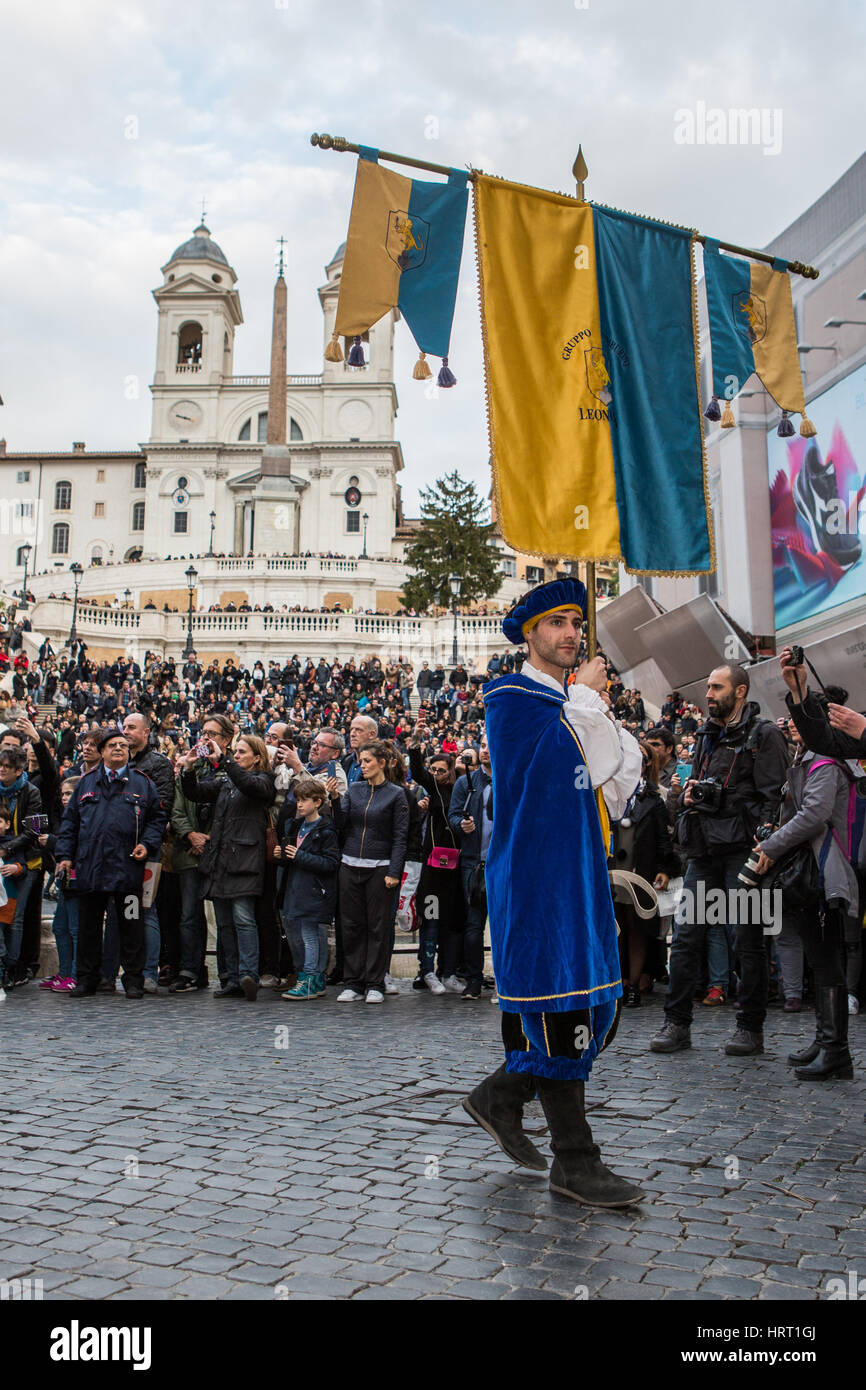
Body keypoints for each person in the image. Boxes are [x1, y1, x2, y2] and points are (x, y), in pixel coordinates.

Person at [464, 578, 644, 1208]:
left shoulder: (572, 699)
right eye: (557, 624)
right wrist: (587, 701)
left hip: (580, 867)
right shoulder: (510, 697)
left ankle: (503, 1095)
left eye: (576, 623)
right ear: (531, 633)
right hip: (538, 874)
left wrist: (586, 703)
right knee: (561, 1005)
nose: (571, 634)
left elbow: (619, 777)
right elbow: (567, 766)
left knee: (598, 1005)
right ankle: (576, 1159)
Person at [651, 664, 789, 1057]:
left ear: (740, 692)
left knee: (749, 942)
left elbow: (775, 799)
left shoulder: (765, 735)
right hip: (703, 852)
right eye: (708, 687)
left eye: (716, 687)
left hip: (746, 853)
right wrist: (690, 796)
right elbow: (691, 792)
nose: (708, 694)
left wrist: (767, 846)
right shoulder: (707, 735)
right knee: (685, 939)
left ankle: (750, 1028)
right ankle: (676, 1023)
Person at [754, 715, 856, 1080]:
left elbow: (814, 815)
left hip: (824, 872)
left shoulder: (825, 763)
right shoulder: (806, 759)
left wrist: (771, 844)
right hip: (810, 870)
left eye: (800, 720)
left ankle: (835, 1050)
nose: (792, 724)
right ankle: (824, 1040)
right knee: (819, 955)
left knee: (827, 959)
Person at [55, 729, 166, 999]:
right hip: (91, 868)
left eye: (123, 746)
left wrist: (148, 844)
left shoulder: (142, 783)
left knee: (131, 925)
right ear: (102, 751)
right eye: (113, 745)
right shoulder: (85, 783)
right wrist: (65, 856)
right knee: (89, 927)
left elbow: (157, 819)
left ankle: (133, 980)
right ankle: (86, 979)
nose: (119, 748)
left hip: (127, 869)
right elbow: (70, 823)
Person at [179, 733, 275, 1001]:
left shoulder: (263, 781)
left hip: (244, 861)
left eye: (242, 752)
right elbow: (195, 792)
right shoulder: (225, 781)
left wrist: (224, 761)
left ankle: (248, 974)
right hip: (221, 860)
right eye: (236, 752)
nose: (237, 756)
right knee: (224, 924)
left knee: (244, 920)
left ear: (257, 757)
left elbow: (250, 787)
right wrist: (188, 769)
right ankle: (230, 977)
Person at [328, 740, 408, 1004]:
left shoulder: (396, 794)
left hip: (380, 867)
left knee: (378, 927)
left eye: (367, 761)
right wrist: (335, 799)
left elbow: (400, 837)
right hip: (350, 865)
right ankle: (353, 982)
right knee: (350, 926)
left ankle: (375, 982)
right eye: (360, 761)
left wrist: (394, 871)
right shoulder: (355, 789)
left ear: (382, 763)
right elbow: (341, 824)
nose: (361, 765)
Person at [612, 744, 680, 1008]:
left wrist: (665, 869)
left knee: (638, 928)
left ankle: (634, 983)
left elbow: (664, 837)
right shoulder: (608, 791)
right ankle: (618, 982)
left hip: (641, 869)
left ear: (645, 765)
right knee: (615, 928)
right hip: (612, 868)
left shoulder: (652, 797)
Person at [275, 777, 340, 1000]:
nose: (299, 804)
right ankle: (310, 977)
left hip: (314, 891)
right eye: (298, 800)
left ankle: (311, 978)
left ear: (318, 802)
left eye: (304, 800)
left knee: (310, 936)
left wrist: (299, 855)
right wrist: (282, 856)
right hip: (297, 888)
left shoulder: (326, 829)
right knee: (300, 934)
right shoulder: (296, 826)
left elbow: (331, 863)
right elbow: (291, 858)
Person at [37, 777, 81, 992]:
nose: (65, 798)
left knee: (75, 928)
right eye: (63, 794)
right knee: (60, 927)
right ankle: (64, 972)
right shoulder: (65, 817)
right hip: (64, 879)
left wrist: (53, 841)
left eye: (69, 794)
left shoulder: (83, 816)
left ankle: (75, 974)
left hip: (78, 879)